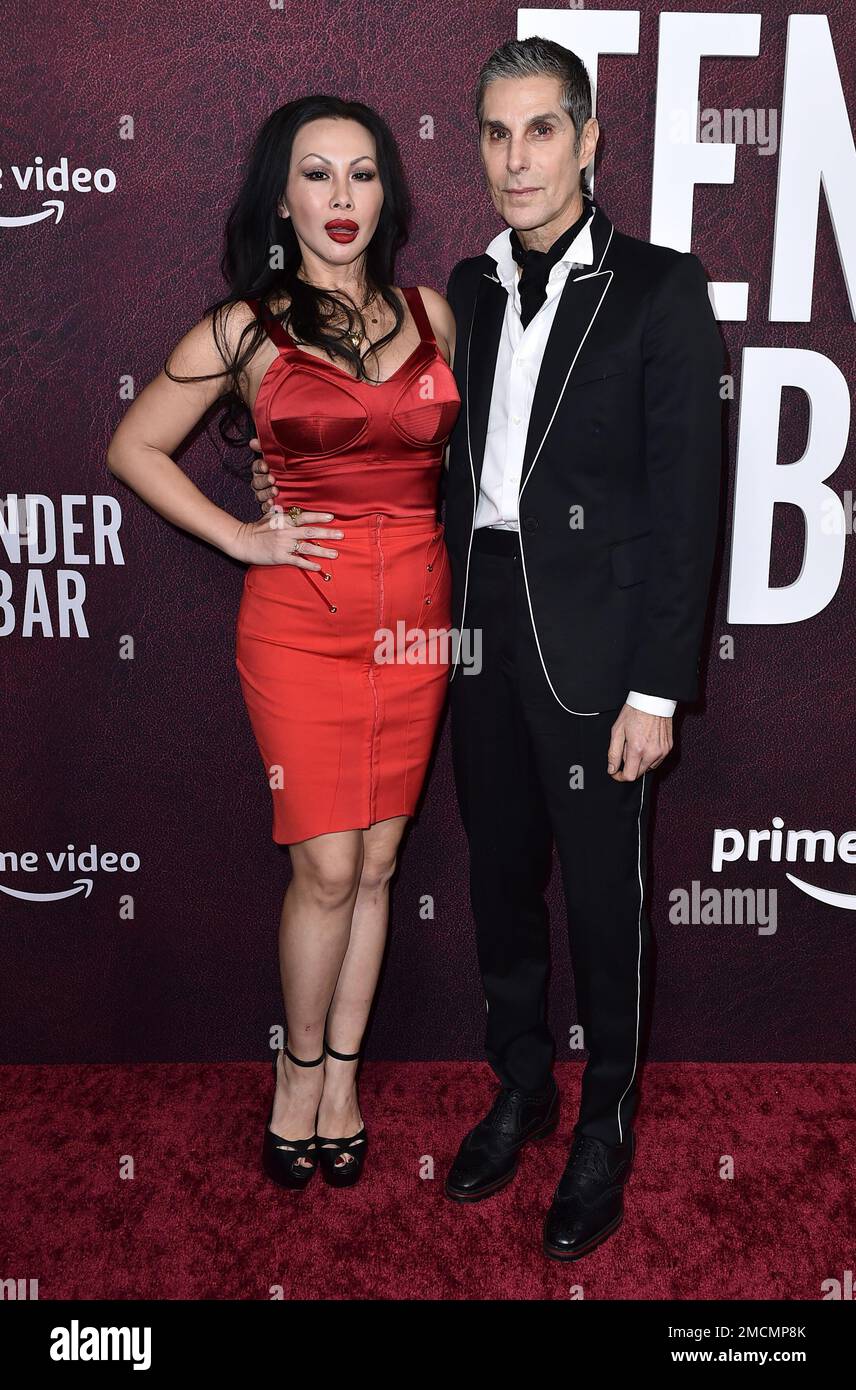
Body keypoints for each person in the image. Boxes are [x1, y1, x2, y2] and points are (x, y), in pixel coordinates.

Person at [251, 35, 723, 1260]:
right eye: (495, 135)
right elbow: (383, 430)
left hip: (602, 646)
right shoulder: (458, 287)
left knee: (605, 906)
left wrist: (657, 688)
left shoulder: (662, 291)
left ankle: (603, 1123)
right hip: (470, 625)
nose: (516, 160)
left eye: (541, 132)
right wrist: (281, 469)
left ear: (588, 140)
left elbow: (687, 514)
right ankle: (522, 1084)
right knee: (502, 881)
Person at [106, 95, 459, 1192]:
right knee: (325, 865)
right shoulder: (244, 328)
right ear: (282, 195)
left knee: (382, 862)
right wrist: (243, 536)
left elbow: (460, 453)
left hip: (419, 621)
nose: (343, 198)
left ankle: (343, 1078)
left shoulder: (433, 314)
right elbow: (134, 447)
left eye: (362, 174)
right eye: (317, 175)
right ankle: (294, 1070)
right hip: (301, 628)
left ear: (387, 192)